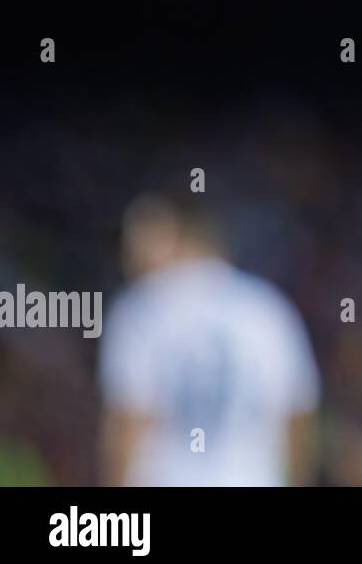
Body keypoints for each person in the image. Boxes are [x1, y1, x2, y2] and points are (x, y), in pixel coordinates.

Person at [99, 192, 320, 486]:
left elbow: (129, 421)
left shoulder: (140, 308)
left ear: (177, 235)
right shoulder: (268, 307)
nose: (129, 253)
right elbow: (298, 420)